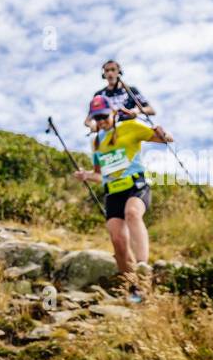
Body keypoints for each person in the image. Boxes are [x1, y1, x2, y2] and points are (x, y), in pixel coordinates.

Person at [71, 94, 173, 303]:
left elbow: (166, 139)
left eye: (104, 116)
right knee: (117, 239)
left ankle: (143, 267)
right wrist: (86, 175)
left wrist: (162, 132)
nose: (101, 121)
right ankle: (134, 288)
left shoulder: (131, 127)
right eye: (96, 118)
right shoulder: (97, 142)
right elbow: (100, 174)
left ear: (114, 113)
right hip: (113, 192)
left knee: (133, 213)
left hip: (135, 186)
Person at [85, 59, 155, 129]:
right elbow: (88, 120)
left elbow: (151, 110)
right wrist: (93, 125)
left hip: (129, 128)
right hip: (109, 131)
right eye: (107, 70)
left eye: (113, 70)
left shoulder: (131, 90)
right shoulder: (99, 95)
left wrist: (137, 111)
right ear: (104, 74)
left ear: (119, 71)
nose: (110, 73)